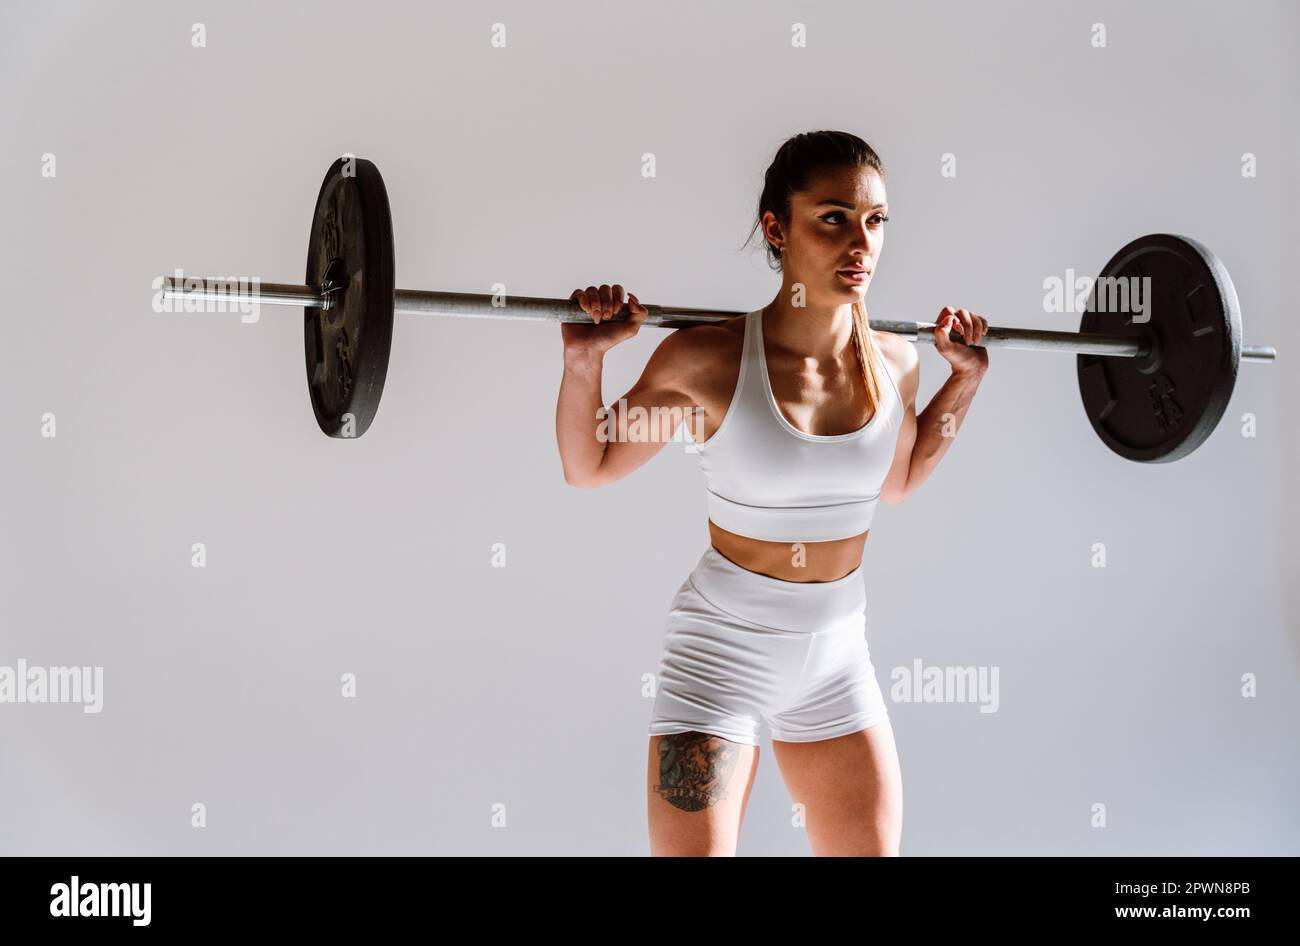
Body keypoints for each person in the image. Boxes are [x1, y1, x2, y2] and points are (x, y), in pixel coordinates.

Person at [555, 130, 989, 856]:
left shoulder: (898, 364)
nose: (861, 242)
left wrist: (965, 382)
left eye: (875, 220)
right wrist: (584, 362)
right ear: (776, 228)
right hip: (720, 656)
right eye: (833, 217)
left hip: (837, 663)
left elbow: (900, 483)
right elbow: (590, 463)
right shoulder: (708, 363)